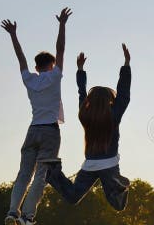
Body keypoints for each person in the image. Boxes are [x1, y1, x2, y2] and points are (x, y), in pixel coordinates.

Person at [0, 7, 71, 225]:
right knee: (41, 175)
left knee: (23, 174)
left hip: (32, 131)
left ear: (36, 66)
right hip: (50, 131)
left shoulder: (29, 79)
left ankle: (12, 212)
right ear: (51, 65)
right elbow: (61, 49)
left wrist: (13, 35)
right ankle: (27, 217)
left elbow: (20, 59)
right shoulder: (55, 77)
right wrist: (62, 24)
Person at [40, 45, 132, 211]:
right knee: (118, 205)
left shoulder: (85, 116)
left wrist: (80, 70)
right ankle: (118, 187)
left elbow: (81, 93)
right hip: (109, 165)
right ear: (109, 101)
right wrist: (126, 64)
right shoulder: (113, 115)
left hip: (90, 164)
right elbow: (124, 93)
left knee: (73, 196)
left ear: (90, 103)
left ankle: (52, 171)